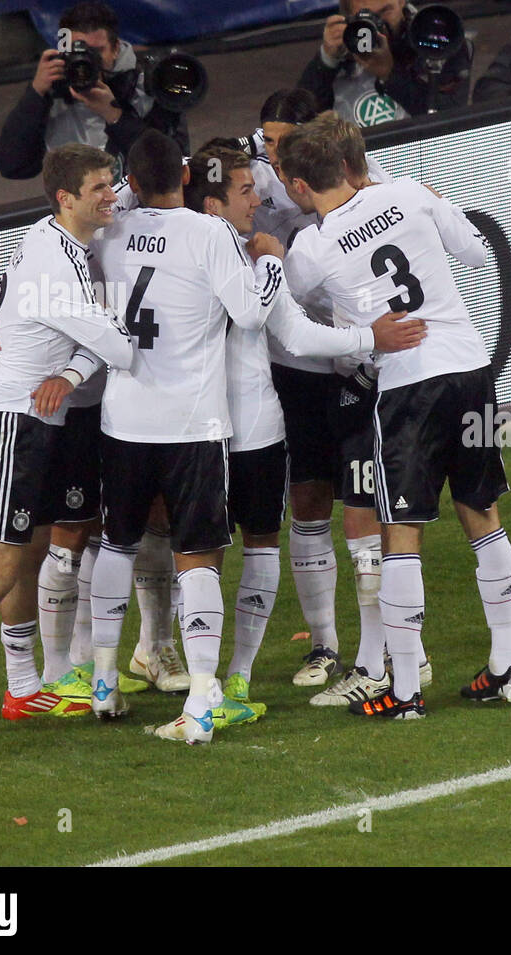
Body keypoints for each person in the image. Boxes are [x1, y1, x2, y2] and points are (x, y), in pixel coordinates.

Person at [278, 128, 511, 719]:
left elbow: (294, 317)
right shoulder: (409, 192)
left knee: (402, 527)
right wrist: (434, 202)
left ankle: (406, 690)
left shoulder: (310, 246)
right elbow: (477, 252)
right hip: (470, 365)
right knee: (482, 511)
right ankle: (506, 669)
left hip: (409, 384)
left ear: (302, 184)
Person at [181, 143, 426, 713]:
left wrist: (368, 342)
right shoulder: (237, 255)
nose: (262, 196)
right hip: (212, 430)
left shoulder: (205, 248)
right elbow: (276, 324)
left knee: (268, 538)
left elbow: (292, 329)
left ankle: (239, 680)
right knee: (195, 551)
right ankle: (203, 678)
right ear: (215, 203)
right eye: (247, 190)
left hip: (233, 427)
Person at [0, 143, 136, 744]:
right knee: (0, 563)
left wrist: (67, 374)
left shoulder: (63, 242)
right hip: (13, 420)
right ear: (67, 199)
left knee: (34, 547)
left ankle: (21, 689)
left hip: (42, 418)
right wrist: (85, 357)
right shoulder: (55, 262)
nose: (110, 195)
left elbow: (95, 343)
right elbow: (119, 348)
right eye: (98, 188)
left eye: (111, 183)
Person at [86, 129, 285, 743]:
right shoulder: (209, 233)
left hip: (124, 417)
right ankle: (202, 697)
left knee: (118, 543)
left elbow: (114, 204)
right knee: (197, 553)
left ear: (131, 180)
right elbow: (251, 312)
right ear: (187, 175)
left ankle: (103, 679)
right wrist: (271, 259)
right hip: (194, 424)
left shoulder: (110, 229)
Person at [0, 1, 180, 181]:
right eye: (78, 52)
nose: (87, 61)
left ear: (115, 48)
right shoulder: (52, 90)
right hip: (75, 208)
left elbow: (169, 168)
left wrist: (114, 116)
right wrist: (35, 94)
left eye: (97, 51)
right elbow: (12, 165)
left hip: (137, 206)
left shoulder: (142, 83)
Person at [300, 0, 472, 127]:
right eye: (367, 15)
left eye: (386, 11)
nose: (378, 23)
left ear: (401, 2)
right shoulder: (345, 48)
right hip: (355, 163)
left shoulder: (434, 35)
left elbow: (450, 117)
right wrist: (326, 60)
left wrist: (390, 74)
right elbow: (300, 120)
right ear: (349, 18)